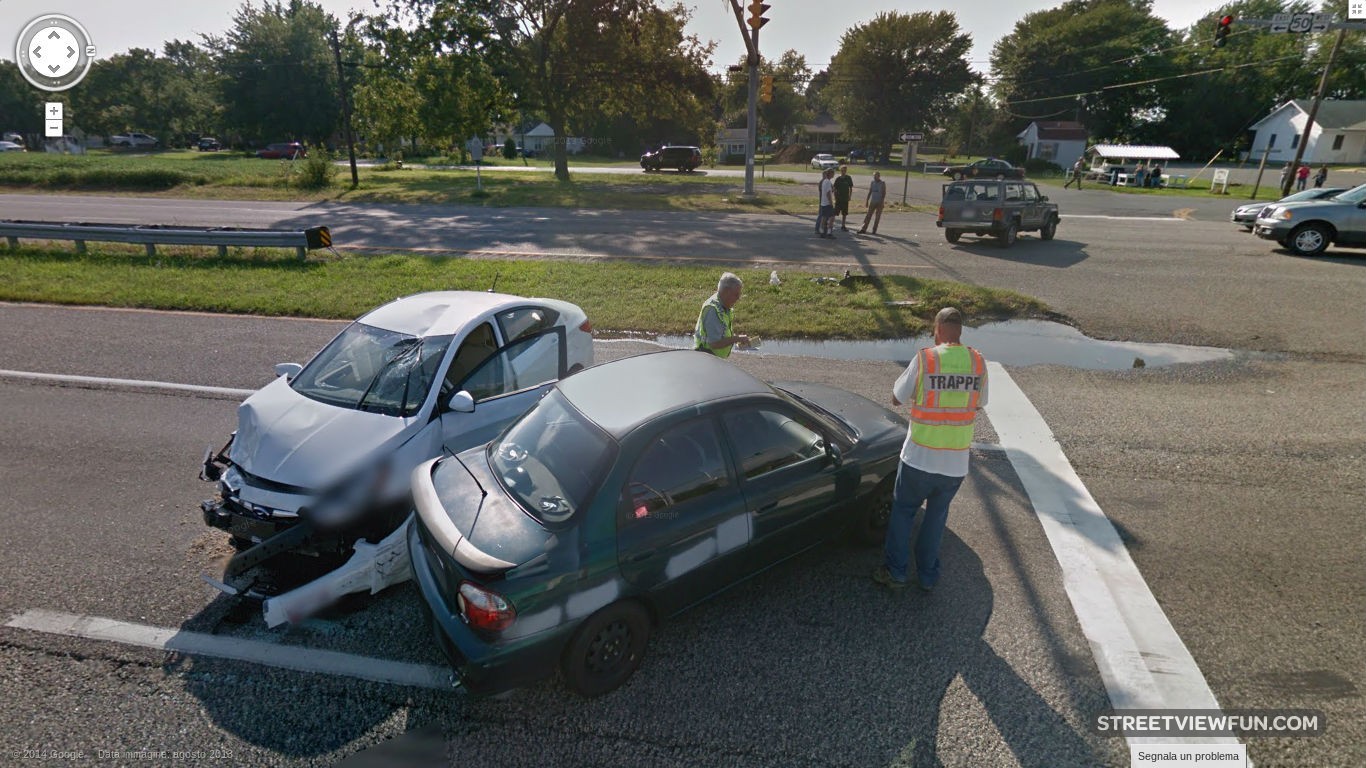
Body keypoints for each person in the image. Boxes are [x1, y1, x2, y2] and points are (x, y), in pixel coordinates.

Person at [873, 307, 989, 593]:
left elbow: (897, 398)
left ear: (936, 329)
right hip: (955, 463)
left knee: (903, 513)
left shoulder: (926, 358)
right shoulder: (977, 362)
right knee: (936, 518)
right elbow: (980, 402)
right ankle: (927, 576)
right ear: (960, 330)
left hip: (919, 457)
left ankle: (896, 572)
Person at [693, 272, 749, 358]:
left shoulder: (723, 305)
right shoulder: (713, 310)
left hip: (714, 357)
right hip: (706, 357)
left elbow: (721, 332)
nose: (738, 298)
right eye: (736, 294)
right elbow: (714, 343)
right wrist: (736, 339)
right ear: (726, 292)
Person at [833, 165, 854, 231]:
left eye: (844, 170)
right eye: (842, 170)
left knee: (844, 213)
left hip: (845, 198)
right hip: (839, 198)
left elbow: (850, 188)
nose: (843, 172)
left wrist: (850, 196)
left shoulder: (848, 178)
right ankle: (831, 224)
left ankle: (843, 225)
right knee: (835, 212)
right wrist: (835, 197)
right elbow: (834, 188)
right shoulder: (838, 179)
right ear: (840, 171)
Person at [816, 169, 836, 238]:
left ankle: (822, 232)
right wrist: (831, 203)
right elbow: (828, 193)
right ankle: (829, 233)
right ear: (830, 174)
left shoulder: (824, 181)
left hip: (823, 203)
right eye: (833, 173)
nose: (834, 175)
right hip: (827, 203)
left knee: (824, 218)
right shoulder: (827, 182)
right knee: (832, 218)